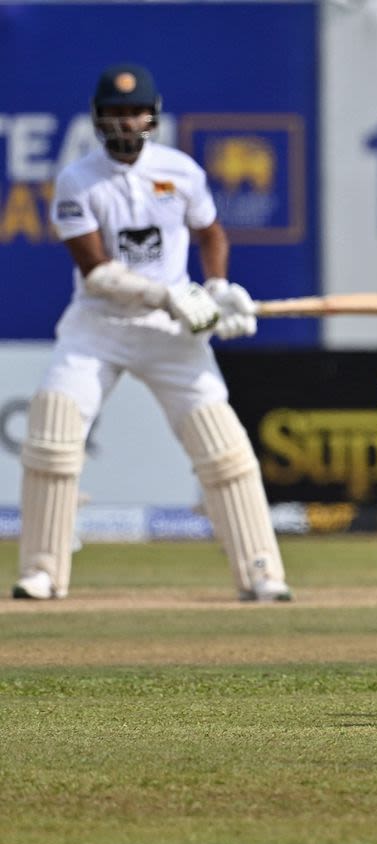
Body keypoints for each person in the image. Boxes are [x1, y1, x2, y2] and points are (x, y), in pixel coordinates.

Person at [12, 62, 291, 602]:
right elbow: (95, 270)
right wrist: (167, 293)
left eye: (135, 111)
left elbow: (211, 233)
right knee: (52, 433)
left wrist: (215, 288)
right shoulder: (77, 180)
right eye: (116, 113)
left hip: (173, 333)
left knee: (224, 448)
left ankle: (261, 571)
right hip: (99, 325)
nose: (126, 122)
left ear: (152, 116)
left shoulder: (180, 170)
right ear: (98, 119)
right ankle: (43, 570)